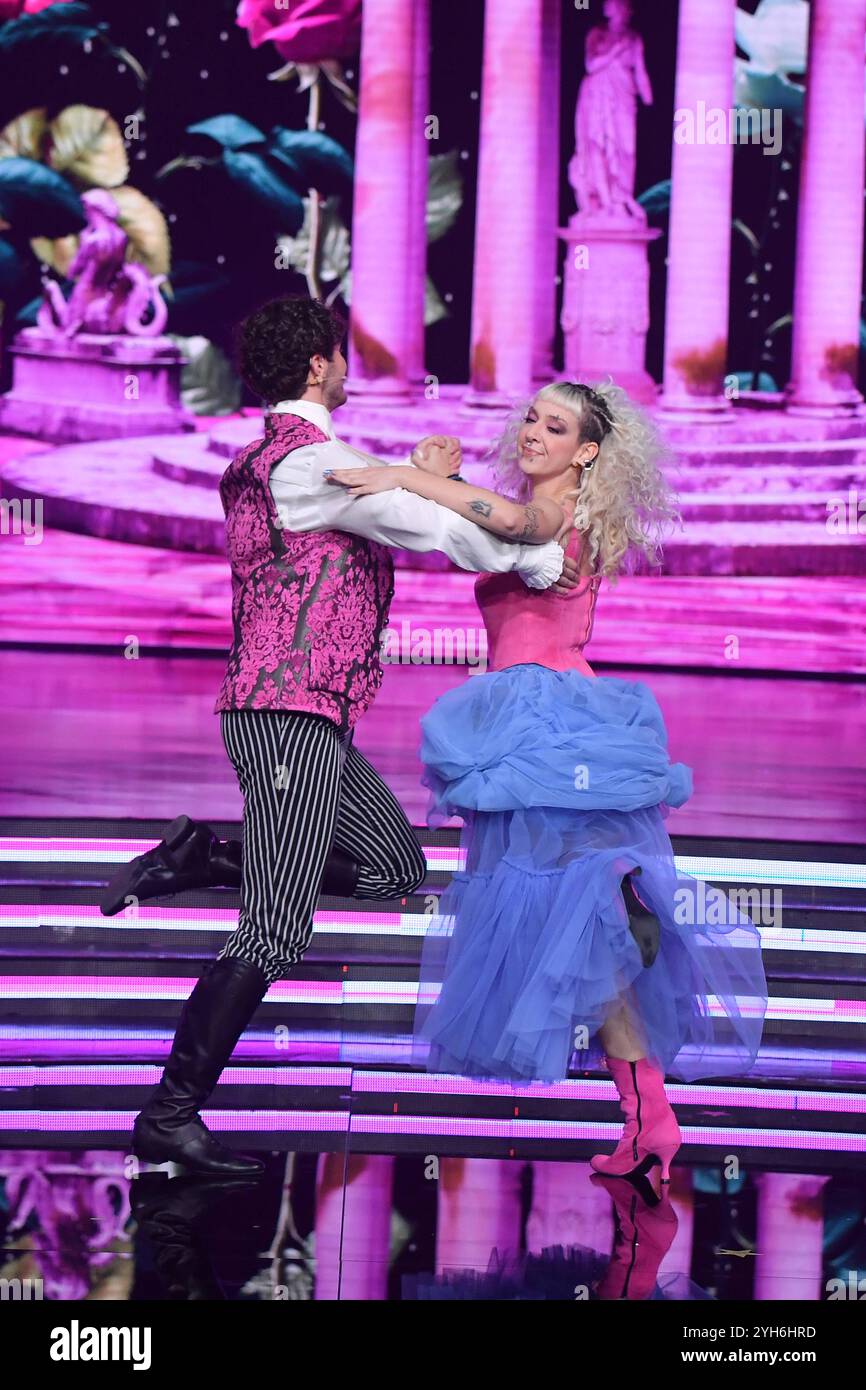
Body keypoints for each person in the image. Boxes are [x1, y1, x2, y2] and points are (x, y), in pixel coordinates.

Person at [116, 296, 576, 1177]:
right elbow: (447, 536)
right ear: (324, 365)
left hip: (303, 712)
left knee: (395, 869)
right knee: (276, 929)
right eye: (340, 353)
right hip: (285, 712)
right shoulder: (317, 461)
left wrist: (409, 469)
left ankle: (207, 855)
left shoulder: (271, 457)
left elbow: (378, 504)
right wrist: (530, 553)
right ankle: (169, 1115)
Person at [327, 379, 768, 1191]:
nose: (532, 431)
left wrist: (404, 474)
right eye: (530, 417)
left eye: (554, 426)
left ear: (587, 451)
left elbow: (515, 522)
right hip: (542, 717)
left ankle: (615, 894)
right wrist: (434, 471)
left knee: (569, 908)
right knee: (589, 947)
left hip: (543, 719)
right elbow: (481, 522)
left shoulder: (564, 517)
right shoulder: (541, 512)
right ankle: (649, 1121)